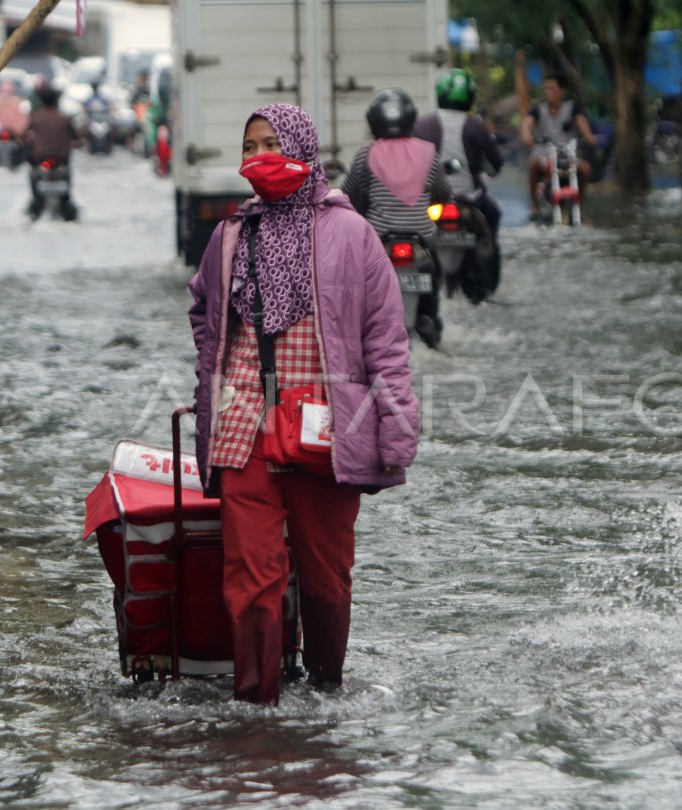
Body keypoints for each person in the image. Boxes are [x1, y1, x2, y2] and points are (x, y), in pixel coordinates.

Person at [188, 103, 418, 703]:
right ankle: (255, 703)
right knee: (251, 583)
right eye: (249, 146)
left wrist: (395, 433)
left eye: (271, 143)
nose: (259, 156)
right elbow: (205, 317)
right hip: (243, 433)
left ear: (303, 148)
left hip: (326, 436)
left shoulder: (352, 235)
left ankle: (325, 690)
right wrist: (210, 392)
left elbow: (386, 345)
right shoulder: (229, 235)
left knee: (325, 580)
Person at [342, 88, 452, 348]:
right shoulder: (430, 153)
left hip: (380, 244)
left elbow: (348, 197)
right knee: (437, 270)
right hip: (423, 244)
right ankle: (429, 316)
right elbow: (445, 194)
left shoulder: (365, 155)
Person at [414, 68, 504, 238]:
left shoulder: (421, 125)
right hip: (471, 199)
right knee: (493, 214)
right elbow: (494, 168)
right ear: (470, 96)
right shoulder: (476, 126)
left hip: (430, 202)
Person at [519, 72, 599, 219]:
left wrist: (589, 137)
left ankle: (578, 205)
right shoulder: (538, 108)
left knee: (585, 169)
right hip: (544, 155)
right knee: (533, 164)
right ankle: (535, 205)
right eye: (546, 88)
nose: (548, 92)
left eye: (552, 88)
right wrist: (526, 134)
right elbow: (527, 123)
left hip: (567, 156)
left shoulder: (573, 107)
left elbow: (582, 123)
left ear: (562, 91)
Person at [23, 85, 78, 220]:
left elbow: (23, 136)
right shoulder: (65, 118)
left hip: (42, 160)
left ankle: (35, 201)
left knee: (33, 175)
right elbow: (77, 137)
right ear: (57, 100)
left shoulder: (36, 117)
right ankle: (67, 200)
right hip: (61, 160)